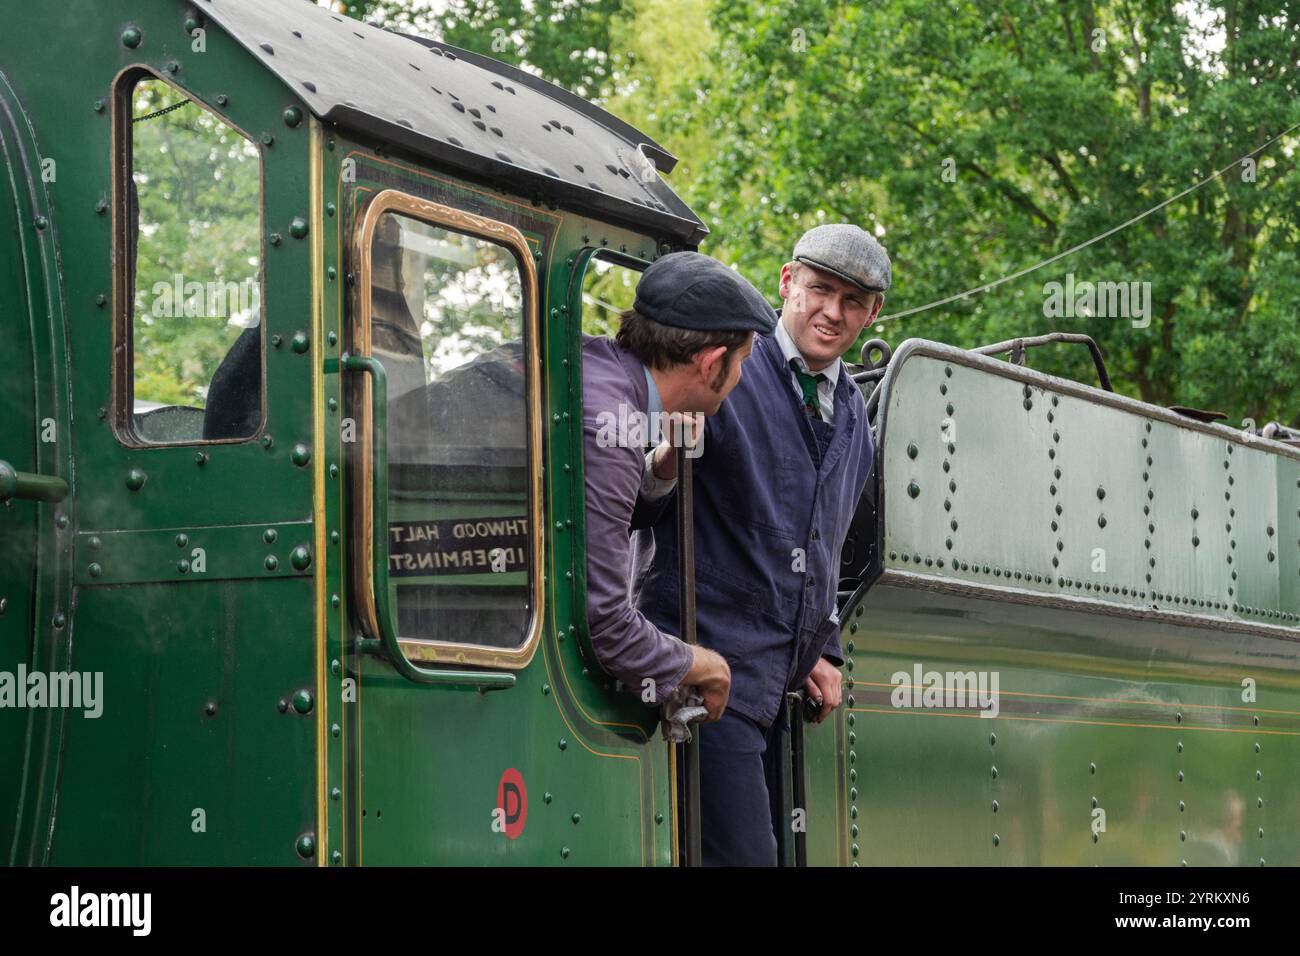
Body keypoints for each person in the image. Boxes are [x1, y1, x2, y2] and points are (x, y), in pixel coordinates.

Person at [634, 224, 890, 865]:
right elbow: (633, 505)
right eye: (820, 290)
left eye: (852, 301)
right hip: (703, 673)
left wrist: (822, 649)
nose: (832, 312)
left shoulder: (854, 411)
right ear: (786, 282)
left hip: (778, 687)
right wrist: (665, 458)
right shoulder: (723, 367)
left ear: (873, 312)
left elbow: (824, 545)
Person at [583, 251, 776, 725]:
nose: (739, 379)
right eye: (741, 363)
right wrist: (705, 665)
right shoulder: (617, 426)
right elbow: (605, 624)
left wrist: (666, 465)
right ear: (711, 366)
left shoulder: (594, 370)